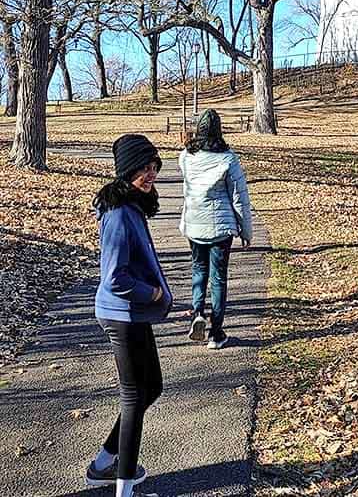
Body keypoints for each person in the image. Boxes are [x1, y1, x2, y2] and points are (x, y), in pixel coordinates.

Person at [86, 134, 172, 497]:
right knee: (135, 396)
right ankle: (124, 489)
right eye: (143, 167)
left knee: (152, 386)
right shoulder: (120, 212)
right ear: (127, 169)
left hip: (133, 315)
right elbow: (115, 277)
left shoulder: (133, 205)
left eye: (154, 167)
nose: (150, 174)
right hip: (122, 314)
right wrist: (151, 292)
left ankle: (105, 463)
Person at [179, 108, 252, 350]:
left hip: (194, 225)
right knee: (218, 279)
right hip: (221, 228)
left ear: (198, 130)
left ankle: (197, 312)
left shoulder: (185, 157)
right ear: (218, 130)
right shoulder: (228, 158)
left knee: (199, 271)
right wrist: (245, 231)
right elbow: (239, 197)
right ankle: (216, 333)